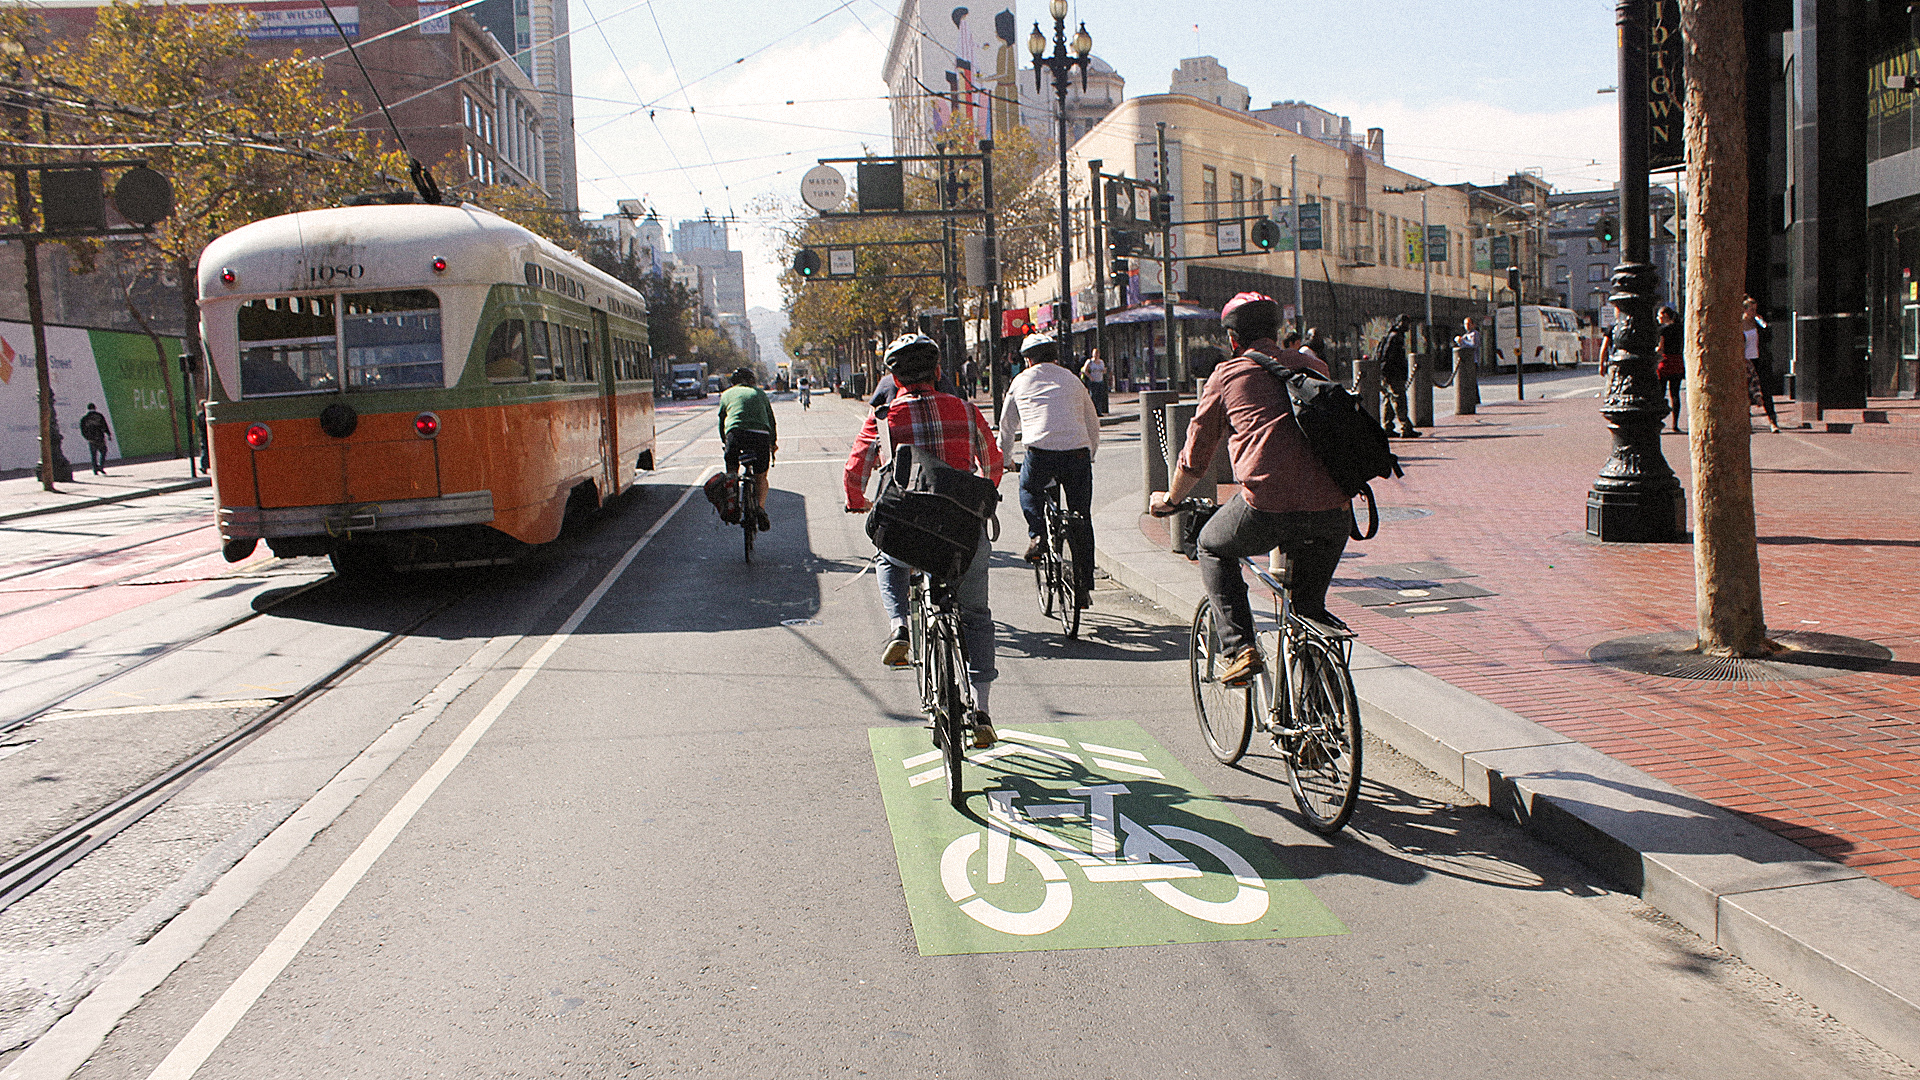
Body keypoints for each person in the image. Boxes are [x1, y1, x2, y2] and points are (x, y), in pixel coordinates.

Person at [1149, 292, 1351, 686]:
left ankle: (1240, 648)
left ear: (1232, 339)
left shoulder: (1227, 375)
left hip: (1267, 505)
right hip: (1334, 510)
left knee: (1211, 544)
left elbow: (1196, 455)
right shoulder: (1314, 365)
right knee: (1308, 609)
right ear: (1276, 332)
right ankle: (1318, 725)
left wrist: (1170, 500)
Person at [845, 333, 1005, 747]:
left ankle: (899, 627)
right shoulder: (967, 411)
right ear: (938, 372)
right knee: (976, 616)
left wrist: (857, 501)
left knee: (887, 556)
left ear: (895, 379)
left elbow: (855, 472)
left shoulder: (883, 418)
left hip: (908, 528)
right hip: (962, 530)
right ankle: (981, 707)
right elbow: (993, 463)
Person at [999, 332, 1100, 609]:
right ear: (1055, 356)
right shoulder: (1072, 379)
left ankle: (1039, 535)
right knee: (1082, 517)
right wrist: (1090, 453)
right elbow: (1092, 421)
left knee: (1029, 488)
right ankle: (1084, 585)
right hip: (1077, 454)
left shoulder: (1020, 381)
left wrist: (1006, 458)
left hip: (1040, 454)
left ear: (1028, 359)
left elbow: (1007, 426)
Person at [717, 367, 776, 530]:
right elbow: (771, 420)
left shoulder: (727, 394)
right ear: (752, 381)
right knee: (761, 476)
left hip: (735, 434)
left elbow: (722, 420)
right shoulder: (760, 393)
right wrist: (773, 442)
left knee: (732, 470)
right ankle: (760, 508)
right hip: (760, 435)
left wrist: (725, 441)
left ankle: (732, 503)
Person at [1377, 315, 1420, 438]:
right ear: (1400, 323)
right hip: (1393, 374)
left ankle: (1387, 426)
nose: (1407, 326)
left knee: (1389, 400)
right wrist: (1389, 373)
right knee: (1399, 399)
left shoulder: (1393, 335)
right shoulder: (1396, 337)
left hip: (1389, 373)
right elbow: (1390, 357)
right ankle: (1405, 427)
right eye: (1406, 323)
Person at [1743, 296, 1781, 433]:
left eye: (1755, 309)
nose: (1754, 312)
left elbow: (1769, 337)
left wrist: (1763, 324)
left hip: (1760, 359)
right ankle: (1747, 422)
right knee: (1745, 393)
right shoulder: (1739, 325)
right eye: (1751, 309)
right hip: (1746, 362)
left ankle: (1773, 421)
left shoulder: (1758, 323)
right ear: (1745, 310)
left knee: (1766, 390)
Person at [1655, 305, 1684, 434]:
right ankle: (1675, 423)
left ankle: (1658, 421)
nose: (1658, 318)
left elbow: (1660, 348)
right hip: (1677, 361)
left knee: (1660, 393)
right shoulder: (1680, 328)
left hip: (1665, 362)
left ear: (1665, 315)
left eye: (1660, 316)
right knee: (1675, 394)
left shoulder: (1663, 330)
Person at [79, 403, 112, 475]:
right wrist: (108, 434)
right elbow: (105, 426)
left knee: (93, 455)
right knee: (103, 452)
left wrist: (87, 438)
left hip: (91, 439)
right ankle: (101, 466)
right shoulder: (99, 416)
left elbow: (83, 430)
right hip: (100, 438)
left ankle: (95, 469)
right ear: (95, 408)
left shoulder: (85, 418)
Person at [1083, 349, 1109, 415]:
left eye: (1097, 354)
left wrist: (1104, 371)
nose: (1096, 355)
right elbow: (1084, 370)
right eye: (1095, 354)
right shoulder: (1090, 362)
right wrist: (1090, 377)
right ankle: (1092, 412)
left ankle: (1099, 411)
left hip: (1100, 380)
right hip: (1093, 381)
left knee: (1099, 396)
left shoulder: (1101, 362)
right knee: (1093, 396)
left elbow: (1104, 371)